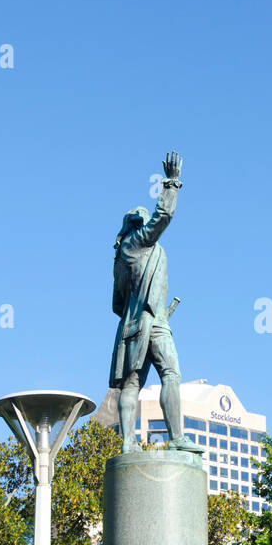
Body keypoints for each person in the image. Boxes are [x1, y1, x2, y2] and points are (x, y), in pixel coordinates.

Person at [108, 151, 203, 455]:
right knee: (170, 373)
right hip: (154, 322)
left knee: (131, 385)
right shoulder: (138, 243)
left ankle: (127, 442)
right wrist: (172, 183)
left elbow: (118, 305)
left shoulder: (121, 260)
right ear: (137, 226)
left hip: (133, 327)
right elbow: (164, 216)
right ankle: (175, 436)